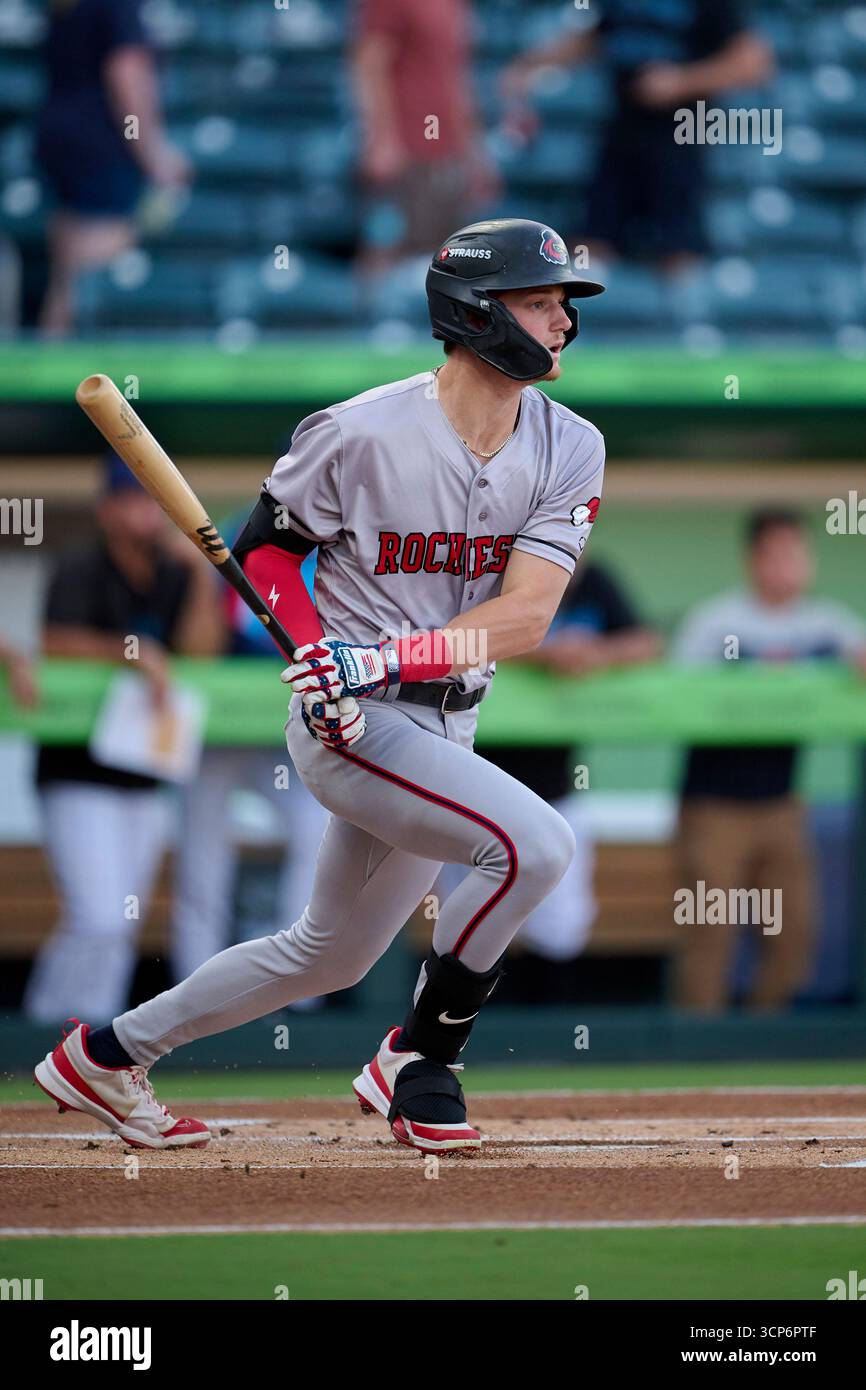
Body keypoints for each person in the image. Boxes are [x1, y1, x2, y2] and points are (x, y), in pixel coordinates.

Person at [35, 217, 606, 1155]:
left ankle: (105, 1054)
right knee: (536, 847)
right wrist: (312, 645)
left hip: (439, 717)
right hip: (352, 726)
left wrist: (381, 655)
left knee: (327, 952)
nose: (560, 323)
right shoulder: (356, 430)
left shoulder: (570, 446)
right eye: (538, 302)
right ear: (473, 310)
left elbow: (528, 617)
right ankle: (420, 1059)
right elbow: (264, 554)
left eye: (562, 306)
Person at [24, 453, 223, 1025]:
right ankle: (48, 1025)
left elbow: (202, 649)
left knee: (121, 921)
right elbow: (55, 641)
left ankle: (86, 1040)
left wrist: (205, 575)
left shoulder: (173, 571)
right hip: (77, 771)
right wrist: (132, 654)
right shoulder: (81, 566)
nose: (144, 514)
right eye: (132, 500)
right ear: (107, 509)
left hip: (144, 771)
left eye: (151, 502)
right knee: (99, 915)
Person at [671, 508, 866, 1012]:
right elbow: (675, 698)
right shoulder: (716, 623)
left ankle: (761, 1046)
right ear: (753, 559)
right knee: (709, 935)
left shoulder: (826, 624)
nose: (787, 566)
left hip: (783, 805)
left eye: (797, 554)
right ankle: (698, 1056)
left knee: (795, 934)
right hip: (714, 805)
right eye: (776, 554)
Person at [479, 561, 661, 987]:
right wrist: (543, 654)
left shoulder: (594, 579)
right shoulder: (491, 570)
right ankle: (469, 1034)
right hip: (480, 788)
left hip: (557, 786)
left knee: (562, 923)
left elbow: (647, 643)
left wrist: (597, 654)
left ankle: (545, 1038)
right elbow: (455, 641)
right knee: (474, 925)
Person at [170, 516, 330, 993]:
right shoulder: (240, 535)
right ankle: (195, 985)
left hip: (297, 727)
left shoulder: (351, 542)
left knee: (319, 831)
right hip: (222, 727)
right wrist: (202, 575)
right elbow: (200, 648)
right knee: (204, 847)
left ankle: (289, 986)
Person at [501, 1, 772, 271]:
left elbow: (753, 63)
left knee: (677, 255)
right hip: (620, 138)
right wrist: (531, 66)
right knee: (589, 247)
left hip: (679, 143)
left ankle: (683, 313)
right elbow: (596, 36)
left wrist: (682, 82)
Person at [36, 0, 189, 335]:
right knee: (92, 285)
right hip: (99, 143)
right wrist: (154, 154)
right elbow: (126, 70)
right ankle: (79, 381)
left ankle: (47, 375)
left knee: (67, 280)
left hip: (60, 133)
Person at [351, 0, 498, 275]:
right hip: (407, 151)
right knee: (388, 252)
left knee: (441, 260)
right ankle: (374, 315)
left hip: (446, 156)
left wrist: (476, 157)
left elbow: (457, 81)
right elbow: (369, 62)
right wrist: (381, 139)